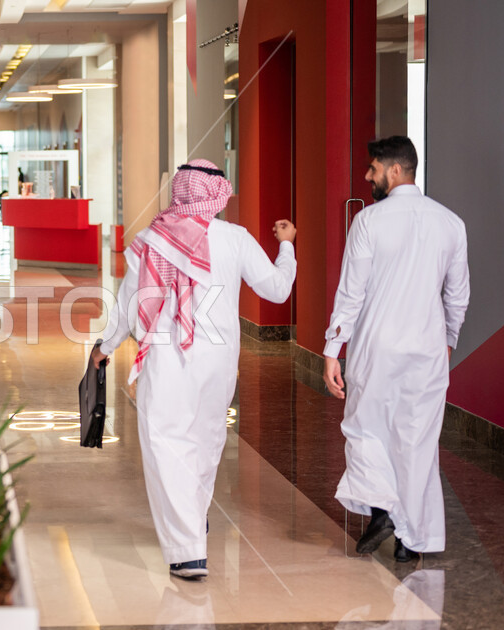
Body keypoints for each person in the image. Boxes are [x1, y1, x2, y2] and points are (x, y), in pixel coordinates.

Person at [91, 159, 297, 579]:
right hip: (219, 362)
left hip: (167, 361)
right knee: (206, 440)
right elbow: (277, 289)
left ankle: (188, 550)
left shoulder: (153, 237)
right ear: (218, 194)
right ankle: (193, 520)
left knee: (167, 441)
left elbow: (131, 305)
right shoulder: (235, 238)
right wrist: (288, 245)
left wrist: (105, 345)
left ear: (179, 191)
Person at [323, 136, 470, 563]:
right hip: (427, 350)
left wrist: (334, 347)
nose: (367, 177)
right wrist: (447, 342)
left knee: (365, 431)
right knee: (418, 443)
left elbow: (351, 293)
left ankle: (383, 510)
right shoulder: (451, 223)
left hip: (376, 348)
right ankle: (411, 542)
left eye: (373, 169)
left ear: (394, 171)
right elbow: (457, 296)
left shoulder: (369, 222)